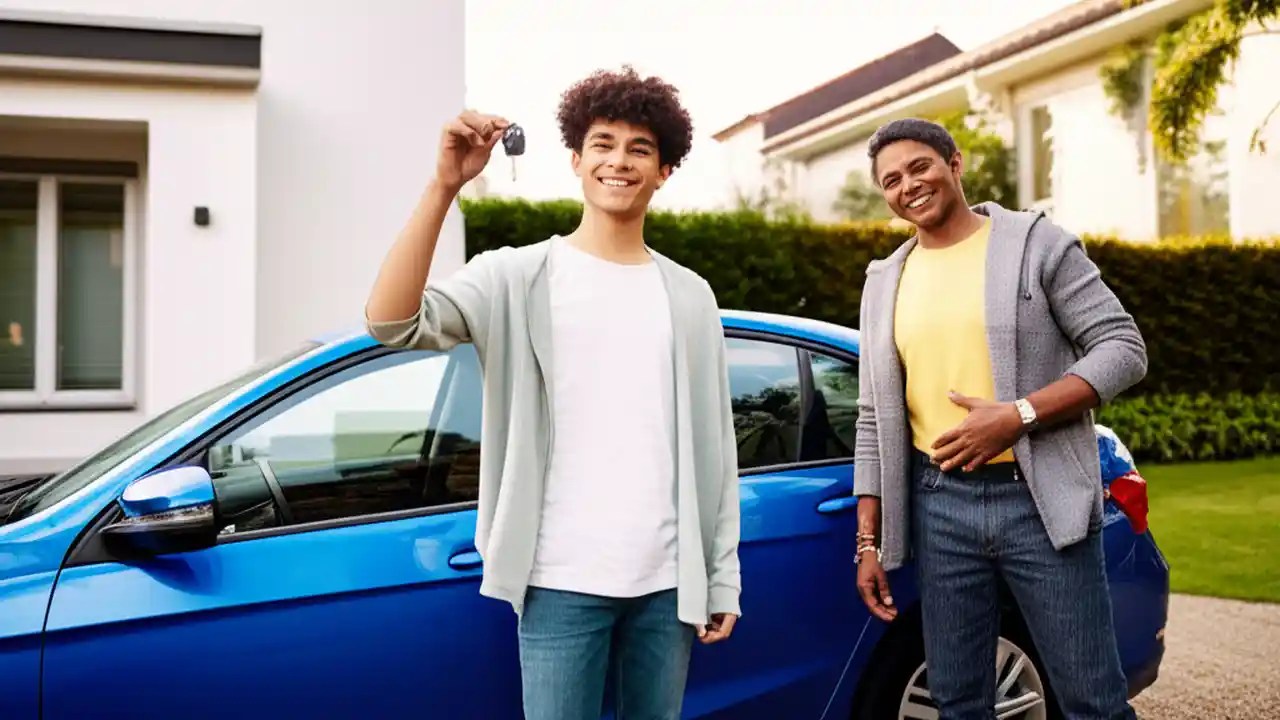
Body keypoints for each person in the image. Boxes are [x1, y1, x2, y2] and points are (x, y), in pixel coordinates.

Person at [363, 66, 741, 720]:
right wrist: (444, 185)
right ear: (576, 158)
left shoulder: (690, 294)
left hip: (667, 586)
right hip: (558, 582)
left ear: (664, 172)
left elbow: (716, 447)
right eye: (603, 143)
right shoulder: (515, 276)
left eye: (640, 149)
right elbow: (391, 323)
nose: (618, 161)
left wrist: (721, 575)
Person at [852, 118, 1145, 720]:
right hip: (939, 505)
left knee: (1092, 701)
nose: (909, 185)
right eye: (891, 180)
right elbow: (870, 415)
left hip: (1038, 502)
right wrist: (867, 538)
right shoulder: (885, 280)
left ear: (954, 163)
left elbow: (1123, 348)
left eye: (920, 166)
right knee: (958, 702)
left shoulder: (1037, 245)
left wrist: (1019, 415)